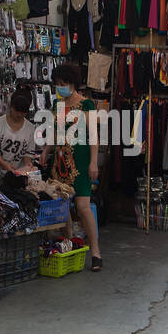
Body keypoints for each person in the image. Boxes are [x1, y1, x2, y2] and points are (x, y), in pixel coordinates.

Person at [42, 64, 102, 271]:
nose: (61, 87)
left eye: (64, 84)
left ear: (74, 83)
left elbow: (93, 135)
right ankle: (69, 246)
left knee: (84, 207)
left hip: (82, 161)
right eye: (58, 84)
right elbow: (53, 133)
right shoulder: (57, 106)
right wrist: (45, 152)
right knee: (63, 206)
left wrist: (94, 162)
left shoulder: (86, 105)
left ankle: (95, 252)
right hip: (59, 161)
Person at [0, 87, 38, 175]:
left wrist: (28, 165)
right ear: (11, 107)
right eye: (17, 111)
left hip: (15, 174)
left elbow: (28, 153)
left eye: (23, 112)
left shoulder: (30, 128)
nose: (19, 115)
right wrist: (5, 165)